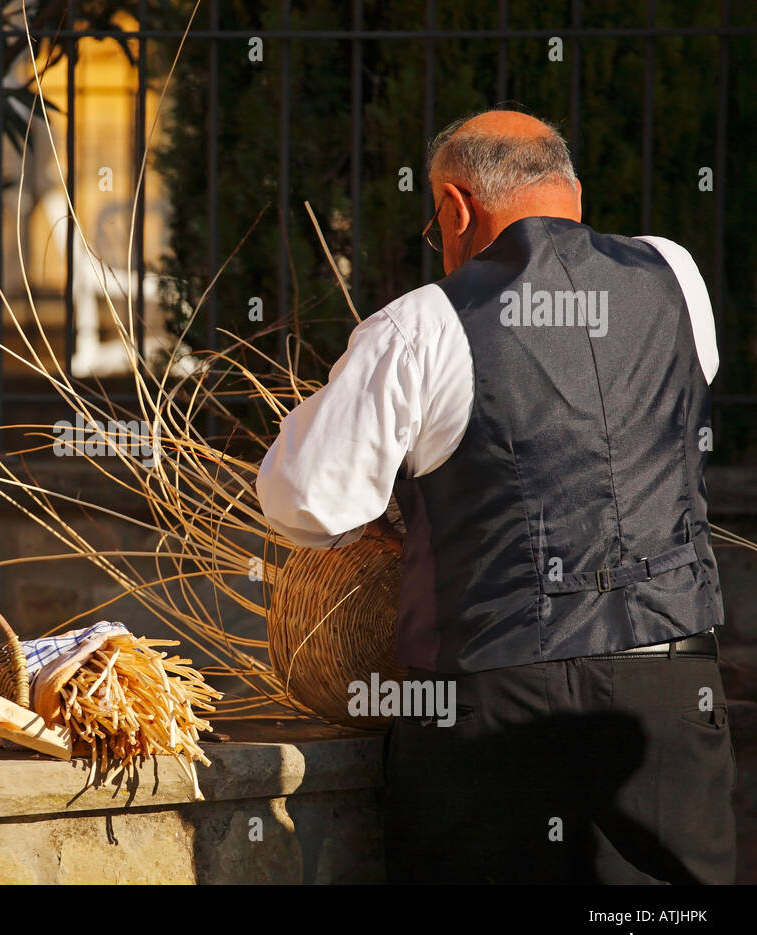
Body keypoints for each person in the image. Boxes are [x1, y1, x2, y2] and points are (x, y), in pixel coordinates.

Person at [255, 108, 735, 884]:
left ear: (454, 207)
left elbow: (307, 501)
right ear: (570, 193)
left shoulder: (420, 326)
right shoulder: (675, 276)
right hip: (671, 688)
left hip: (498, 702)